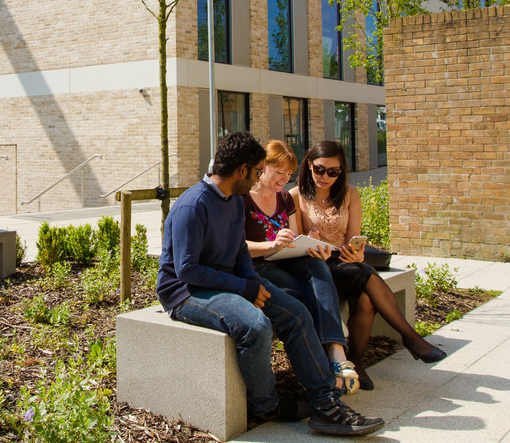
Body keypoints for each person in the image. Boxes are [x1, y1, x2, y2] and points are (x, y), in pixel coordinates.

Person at [157, 131, 384, 436]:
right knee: (256, 325)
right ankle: (267, 405)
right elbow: (186, 270)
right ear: (242, 170)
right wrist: (244, 289)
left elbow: (238, 251)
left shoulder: (234, 201)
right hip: (187, 293)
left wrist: (251, 281)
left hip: (228, 282)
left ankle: (326, 405)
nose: (258, 178)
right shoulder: (192, 206)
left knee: (296, 312)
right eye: (256, 171)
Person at [291, 140, 447, 391]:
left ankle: (359, 362)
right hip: (316, 265)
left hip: (345, 263)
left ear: (340, 172)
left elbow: (355, 238)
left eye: (333, 172)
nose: (325, 176)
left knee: (365, 298)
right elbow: (296, 243)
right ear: (309, 164)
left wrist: (357, 254)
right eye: (320, 169)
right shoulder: (295, 195)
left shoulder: (350, 194)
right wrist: (312, 243)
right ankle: (410, 338)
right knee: (364, 275)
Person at [244, 140, 359, 394]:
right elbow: (236, 246)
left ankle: (336, 353)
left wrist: (311, 244)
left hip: (286, 260)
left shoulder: (285, 198)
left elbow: (295, 237)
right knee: (306, 296)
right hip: (259, 265)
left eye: (288, 174)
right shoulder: (244, 198)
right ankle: (332, 356)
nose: (285, 179)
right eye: (279, 172)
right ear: (263, 168)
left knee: (318, 265)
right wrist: (272, 244)